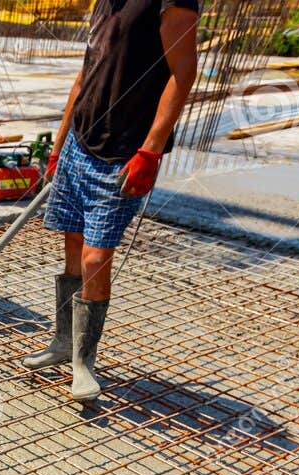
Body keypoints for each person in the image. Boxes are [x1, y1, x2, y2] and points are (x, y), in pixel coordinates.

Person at [22, 0, 197, 401]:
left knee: (95, 258)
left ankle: (84, 362)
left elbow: (183, 71)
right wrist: (58, 146)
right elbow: (86, 72)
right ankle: (64, 342)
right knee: (72, 244)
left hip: (123, 153)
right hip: (80, 142)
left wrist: (150, 151)